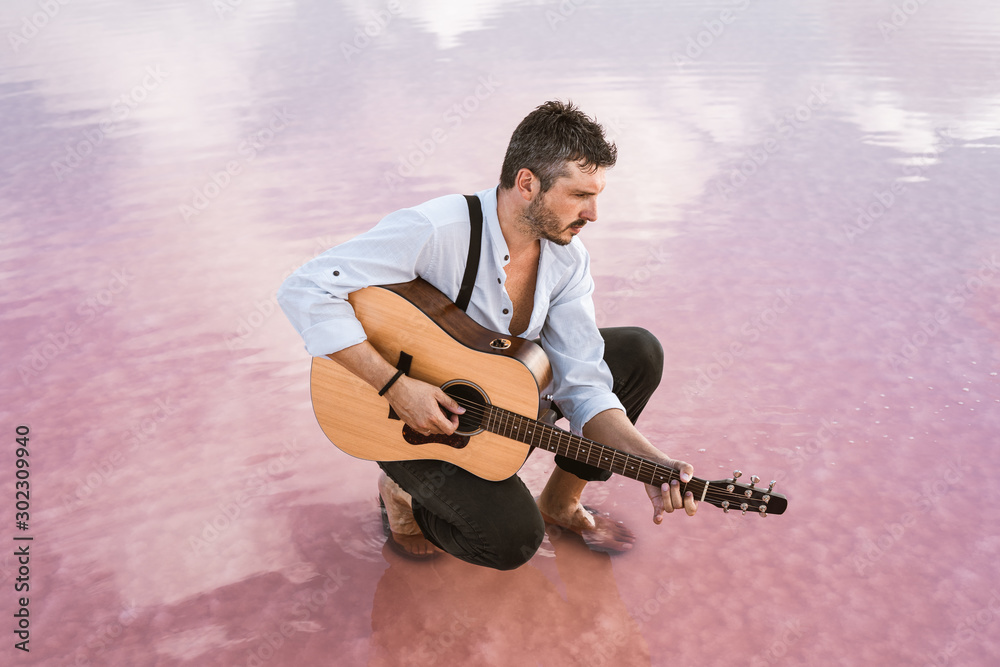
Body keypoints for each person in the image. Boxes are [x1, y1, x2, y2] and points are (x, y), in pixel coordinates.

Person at [277, 100, 698, 569]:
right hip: (401, 418)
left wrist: (654, 464)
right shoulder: (433, 230)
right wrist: (394, 386)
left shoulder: (567, 259)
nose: (594, 213)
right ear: (527, 184)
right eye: (580, 195)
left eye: (597, 196)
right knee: (511, 542)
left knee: (638, 352)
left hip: (502, 393)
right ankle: (403, 494)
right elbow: (304, 288)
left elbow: (584, 387)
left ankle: (559, 502)